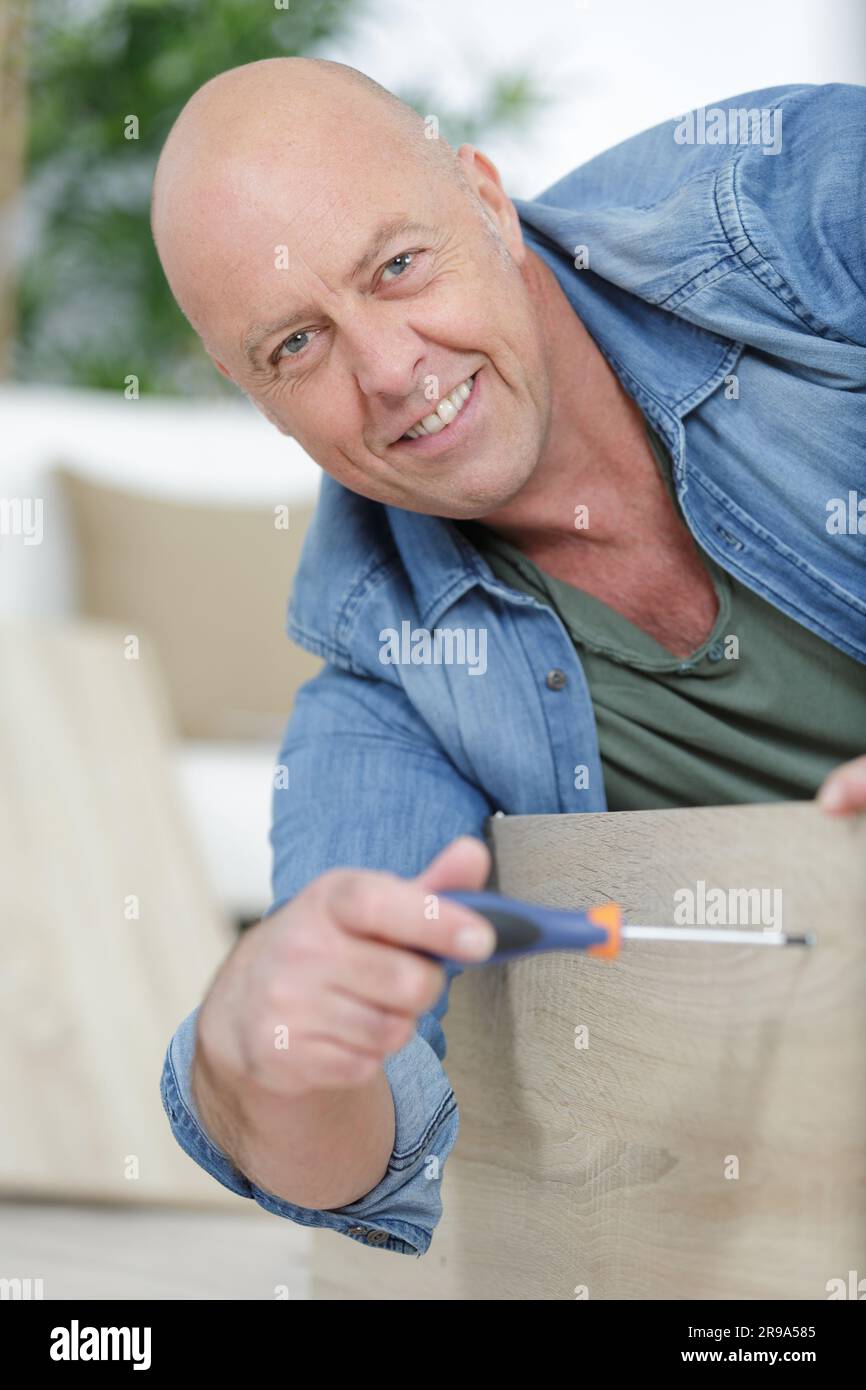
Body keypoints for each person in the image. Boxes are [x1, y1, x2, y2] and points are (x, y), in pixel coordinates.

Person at [151, 58, 866, 1257]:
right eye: (294, 344)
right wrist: (252, 1055)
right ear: (252, 397)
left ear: (487, 200)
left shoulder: (789, 203)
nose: (389, 372)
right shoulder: (385, 678)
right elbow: (354, 1153)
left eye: (396, 266)